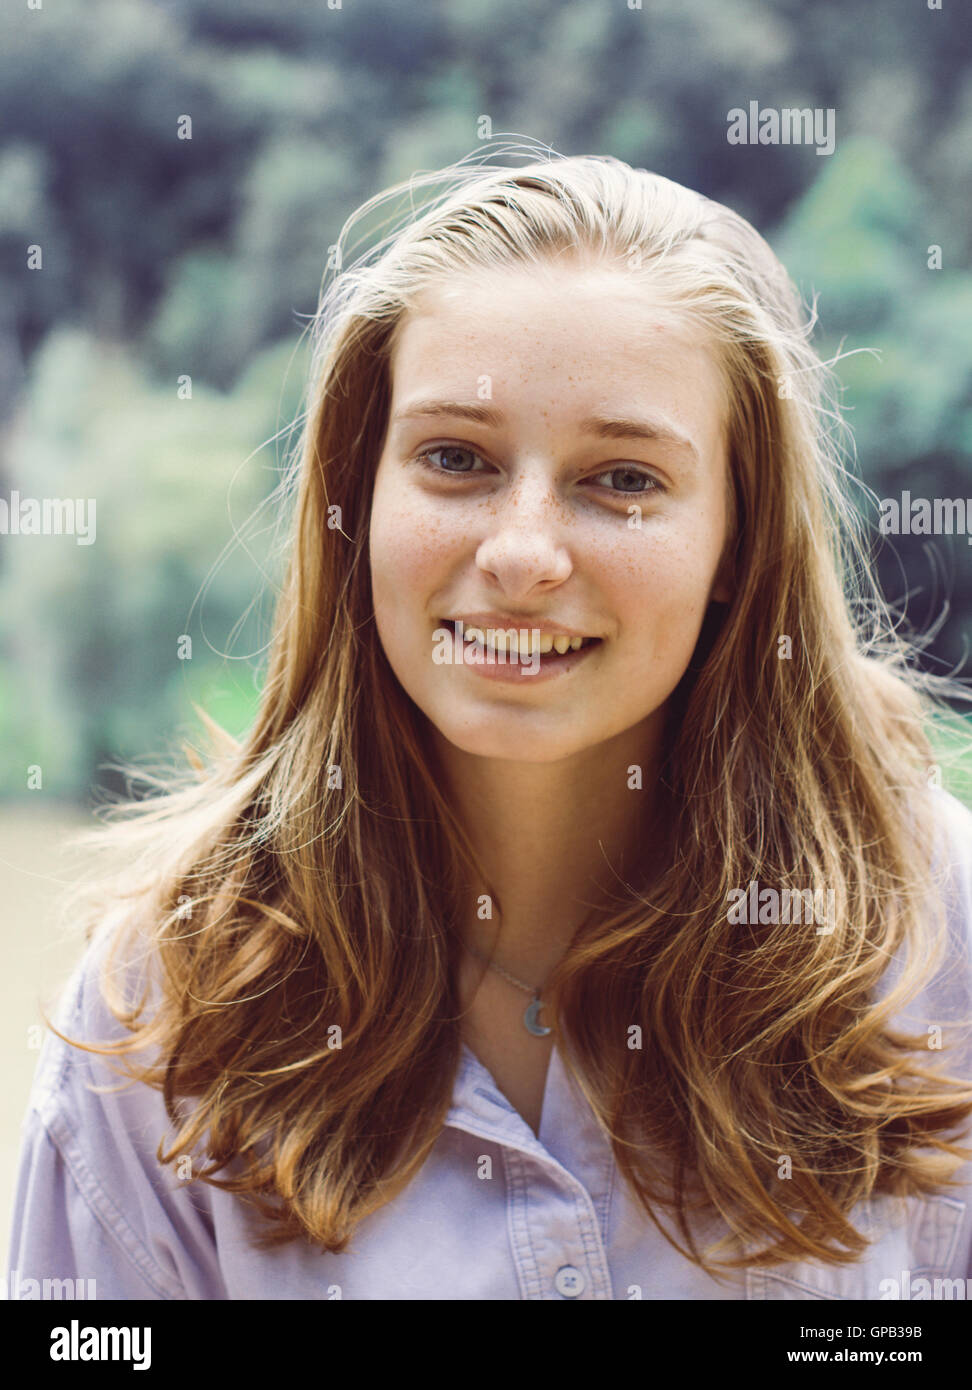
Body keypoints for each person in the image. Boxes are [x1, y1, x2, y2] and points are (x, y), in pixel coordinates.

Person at [8, 143, 972, 1301]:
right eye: (455, 459)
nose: (520, 553)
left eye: (622, 479)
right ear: (357, 496)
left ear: (739, 539)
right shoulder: (164, 1009)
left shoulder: (933, 936)